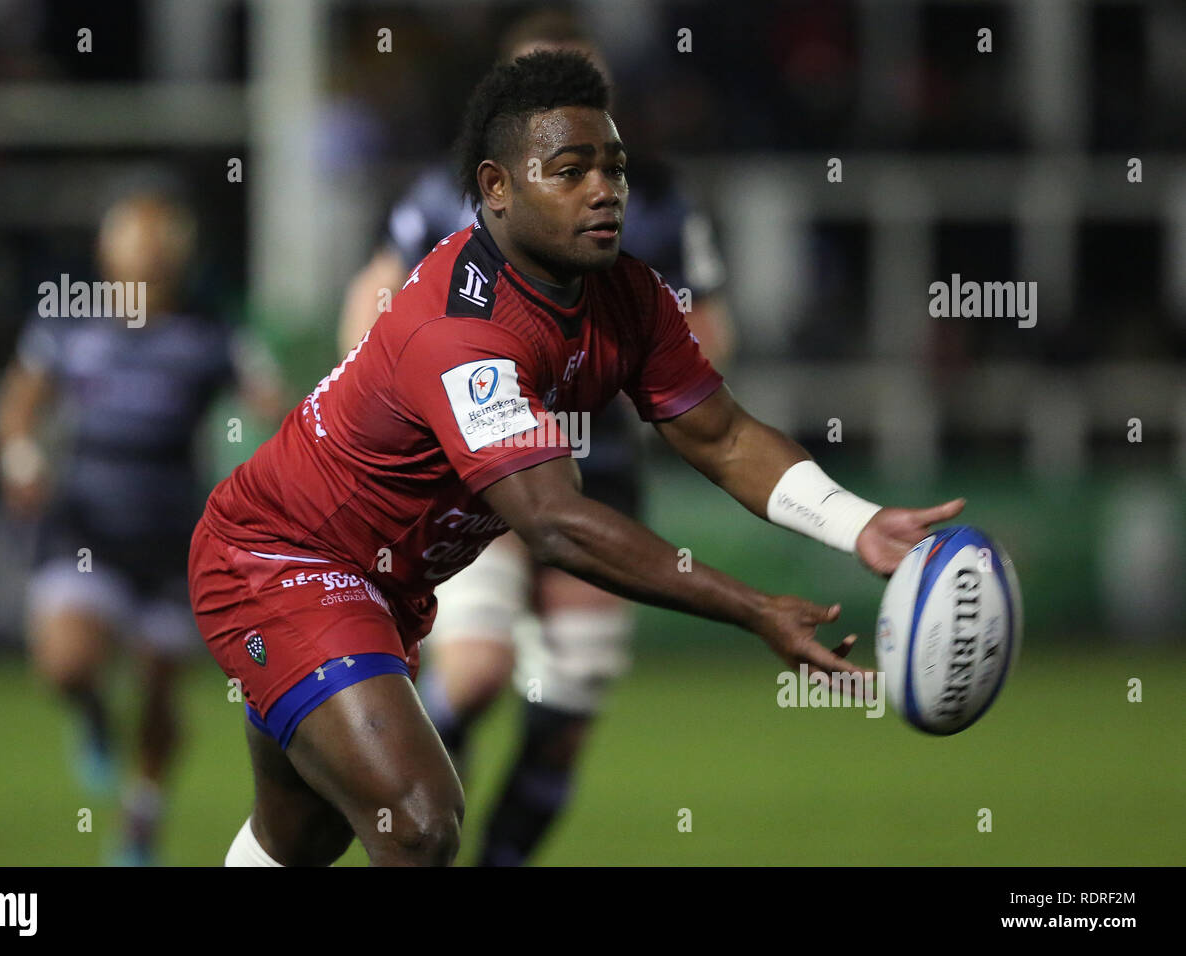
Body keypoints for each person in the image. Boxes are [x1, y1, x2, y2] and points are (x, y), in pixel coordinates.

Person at [190, 50, 964, 867]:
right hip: (280, 558)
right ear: (496, 188)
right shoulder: (460, 330)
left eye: (615, 168)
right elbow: (555, 525)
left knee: (297, 839)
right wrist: (755, 609)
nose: (605, 190)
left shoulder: (629, 297)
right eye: (570, 171)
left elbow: (723, 436)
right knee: (418, 822)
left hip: (388, 582)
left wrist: (860, 524)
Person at [337, 11, 734, 866]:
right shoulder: (448, 198)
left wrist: (656, 374)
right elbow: (372, 297)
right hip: (478, 474)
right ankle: (381, 805)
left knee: (566, 711)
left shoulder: (655, 201)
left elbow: (710, 329)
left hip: (603, 473)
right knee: (476, 673)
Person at [0, 191, 285, 865]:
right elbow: (18, 405)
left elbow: (275, 408)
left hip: (173, 533)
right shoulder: (67, 327)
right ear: (109, 257)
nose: (145, 269)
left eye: (159, 257)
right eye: (135, 254)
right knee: (63, 663)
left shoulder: (211, 333)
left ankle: (140, 825)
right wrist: (20, 456)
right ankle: (91, 712)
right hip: (85, 524)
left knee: (158, 689)